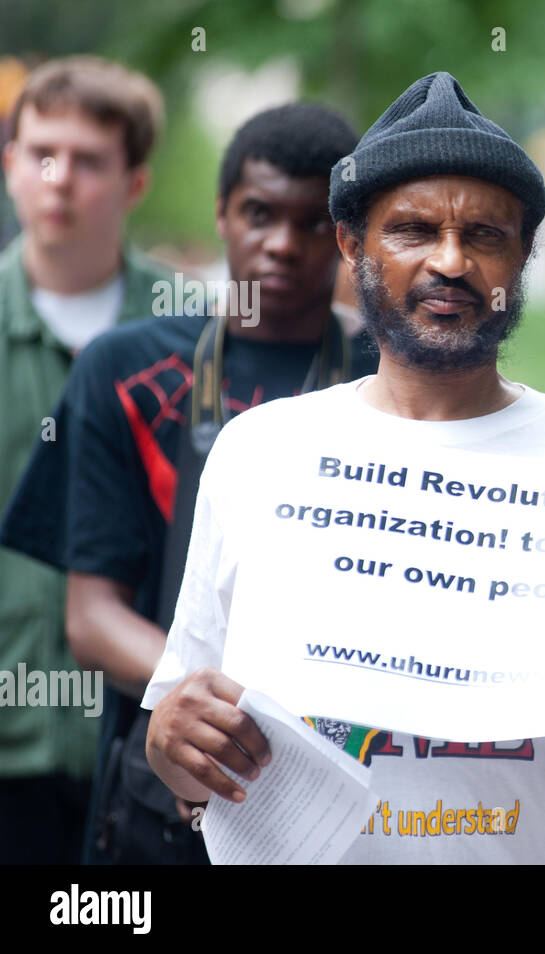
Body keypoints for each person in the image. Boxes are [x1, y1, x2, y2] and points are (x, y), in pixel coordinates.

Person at [141, 72, 545, 863]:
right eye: (411, 230)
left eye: (485, 236)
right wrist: (172, 744)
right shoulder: (259, 454)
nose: (450, 261)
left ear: (524, 256)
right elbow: (187, 754)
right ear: (351, 245)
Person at [0, 101, 376, 863]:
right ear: (221, 214)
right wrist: (220, 696)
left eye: (312, 225)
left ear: (347, 237)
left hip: (346, 783)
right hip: (162, 788)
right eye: (259, 213)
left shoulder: (388, 377)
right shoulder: (124, 369)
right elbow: (91, 619)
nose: (280, 245)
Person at [0, 56, 168, 864]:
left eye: (89, 159)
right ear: (9, 164)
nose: (58, 178)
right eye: (40, 152)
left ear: (135, 182)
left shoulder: (194, 340)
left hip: (150, 752)